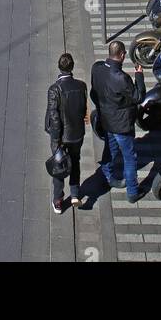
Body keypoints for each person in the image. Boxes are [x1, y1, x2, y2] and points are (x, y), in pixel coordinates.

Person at [90, 41, 145, 202]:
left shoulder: (97, 68)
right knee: (129, 158)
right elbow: (138, 97)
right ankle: (133, 192)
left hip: (107, 121)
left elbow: (94, 93)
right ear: (121, 55)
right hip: (122, 125)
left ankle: (108, 177)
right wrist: (139, 76)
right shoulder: (121, 78)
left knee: (110, 150)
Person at [45, 51, 90, 213]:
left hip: (62, 137)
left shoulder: (54, 90)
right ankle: (75, 194)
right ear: (72, 67)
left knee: (59, 166)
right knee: (75, 162)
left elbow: (54, 117)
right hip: (77, 134)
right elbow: (83, 109)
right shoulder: (81, 86)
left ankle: (58, 200)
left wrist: (56, 141)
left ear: (59, 67)